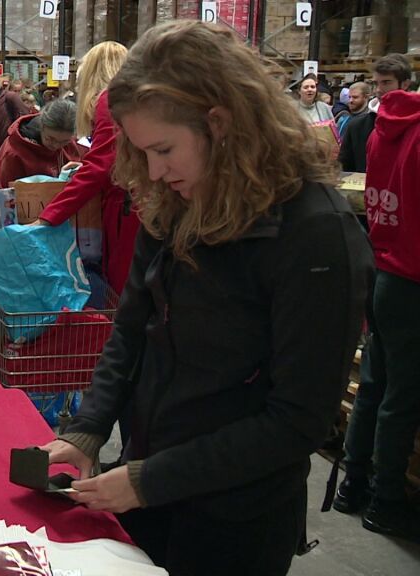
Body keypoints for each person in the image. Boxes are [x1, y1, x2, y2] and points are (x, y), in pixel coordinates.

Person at [40, 21, 371, 575]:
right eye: (143, 152)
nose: (153, 170)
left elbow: (299, 419)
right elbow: (132, 328)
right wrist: (88, 428)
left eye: (165, 149)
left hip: (237, 520)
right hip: (150, 486)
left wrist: (151, 480)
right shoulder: (175, 202)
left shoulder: (316, 237)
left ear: (221, 125)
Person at [334, 81, 420, 543]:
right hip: (412, 280)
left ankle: (353, 486)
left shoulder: (382, 126)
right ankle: (386, 501)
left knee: (373, 387)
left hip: (383, 269)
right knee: (401, 398)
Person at [37, 40, 136, 296]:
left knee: (122, 293)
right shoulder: (132, 100)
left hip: (126, 211)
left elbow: (101, 166)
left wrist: (48, 216)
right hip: (132, 207)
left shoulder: (109, 99)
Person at [340, 55, 413, 173]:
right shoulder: (357, 126)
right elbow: (345, 170)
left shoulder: (415, 126)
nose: (378, 90)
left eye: (386, 82)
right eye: (375, 83)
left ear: (405, 84)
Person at [0, 99, 84, 189]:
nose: (56, 146)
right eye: (50, 139)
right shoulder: (14, 150)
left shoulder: (71, 145)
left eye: (64, 142)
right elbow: (3, 195)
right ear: (41, 126)